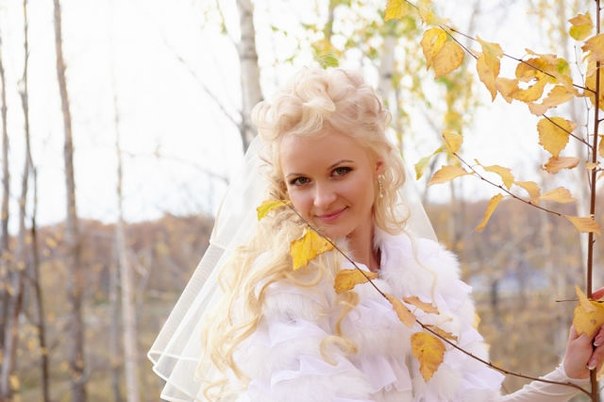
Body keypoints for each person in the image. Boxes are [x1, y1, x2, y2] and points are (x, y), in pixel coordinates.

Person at [148, 68, 604, 401]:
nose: (321, 198)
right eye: (301, 181)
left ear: (378, 165)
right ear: (283, 188)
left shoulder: (428, 277)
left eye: (340, 171)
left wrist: (568, 373)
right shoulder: (285, 298)